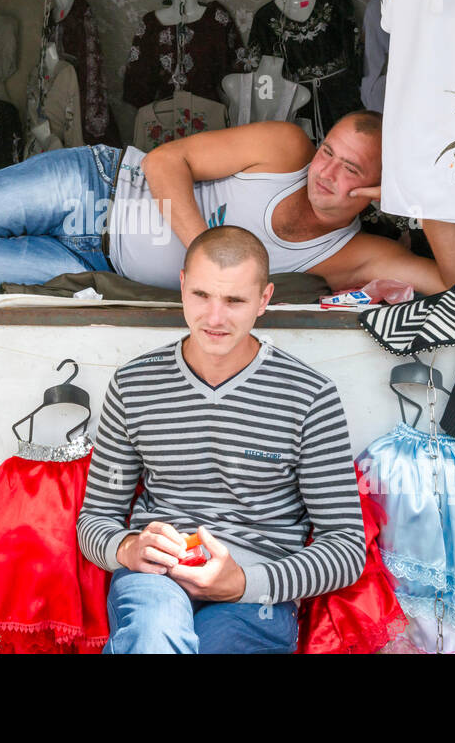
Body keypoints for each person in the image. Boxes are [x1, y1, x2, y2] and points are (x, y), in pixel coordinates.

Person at [0, 112, 455, 301]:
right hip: (100, 185)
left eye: (349, 168)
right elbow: (166, 162)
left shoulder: (355, 253)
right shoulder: (286, 147)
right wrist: (203, 253)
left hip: (99, 269)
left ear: (376, 189)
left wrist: (418, 199)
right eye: (329, 148)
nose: (325, 169)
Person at [77, 225, 366, 653]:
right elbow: (95, 518)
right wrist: (128, 549)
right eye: (201, 296)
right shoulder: (133, 384)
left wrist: (245, 582)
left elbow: (345, 547)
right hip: (155, 580)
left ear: (264, 300)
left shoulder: (308, 395)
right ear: (182, 285)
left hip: (257, 589)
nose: (214, 318)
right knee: (153, 635)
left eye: (234, 300)